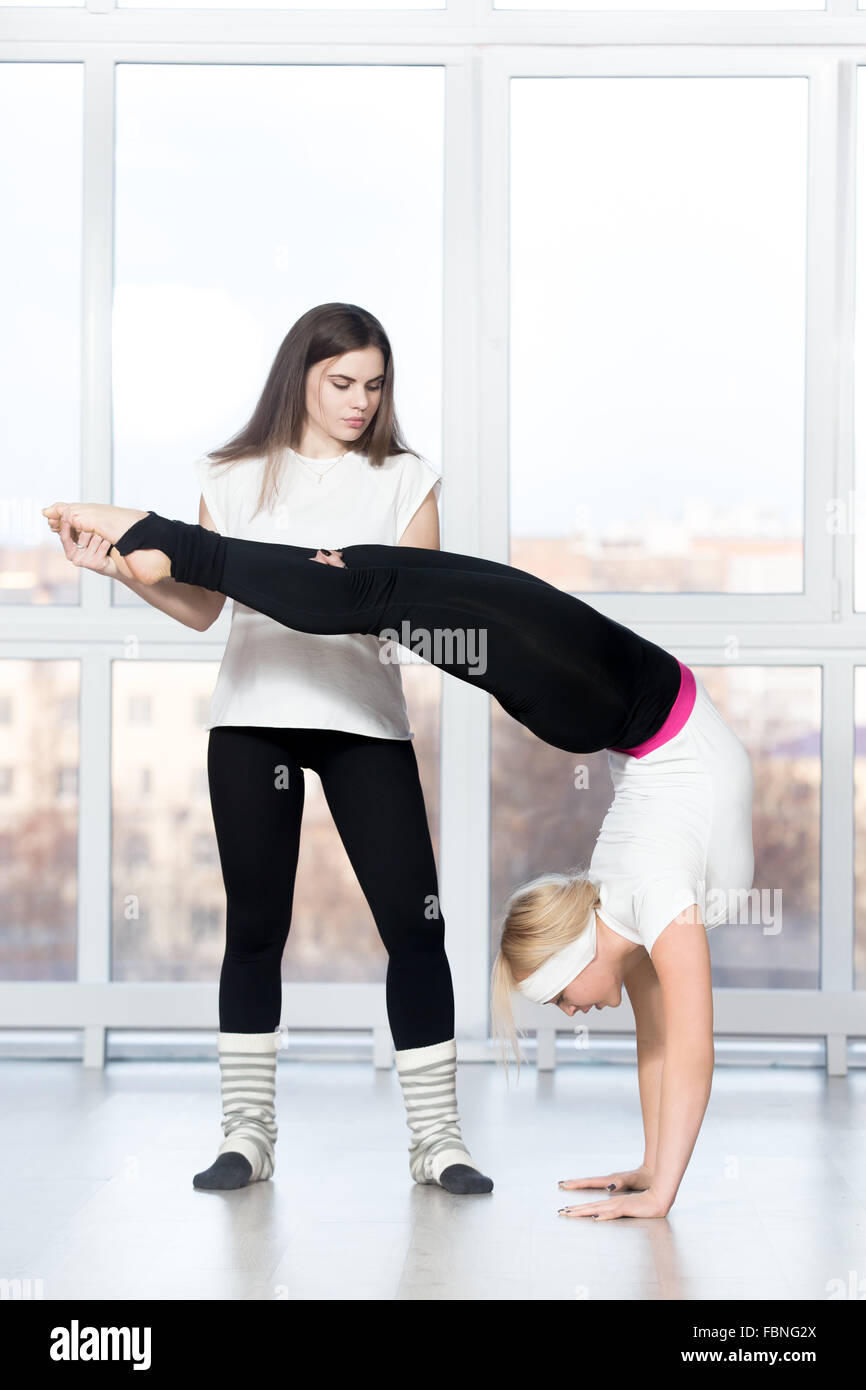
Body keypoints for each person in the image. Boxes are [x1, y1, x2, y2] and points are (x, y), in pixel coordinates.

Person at [42, 503, 755, 1221]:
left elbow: (667, 1044)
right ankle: (197, 545)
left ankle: (278, 557)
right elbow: (688, 1049)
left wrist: (656, 1176)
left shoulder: (631, 912)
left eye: (560, 1001)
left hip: (628, 710)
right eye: (563, 999)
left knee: (396, 602)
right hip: (621, 708)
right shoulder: (659, 905)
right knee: (385, 603)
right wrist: (659, 1186)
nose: (573, 1011)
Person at [43, 303, 493, 1199]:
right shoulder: (234, 473)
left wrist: (356, 592)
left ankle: (437, 1142)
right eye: (341, 383)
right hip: (254, 715)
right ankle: (247, 1136)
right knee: (255, 930)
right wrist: (118, 577)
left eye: (373, 385)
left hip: (363, 717)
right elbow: (207, 608)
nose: (360, 401)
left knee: (416, 927)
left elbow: (426, 623)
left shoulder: (408, 480)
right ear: (301, 376)